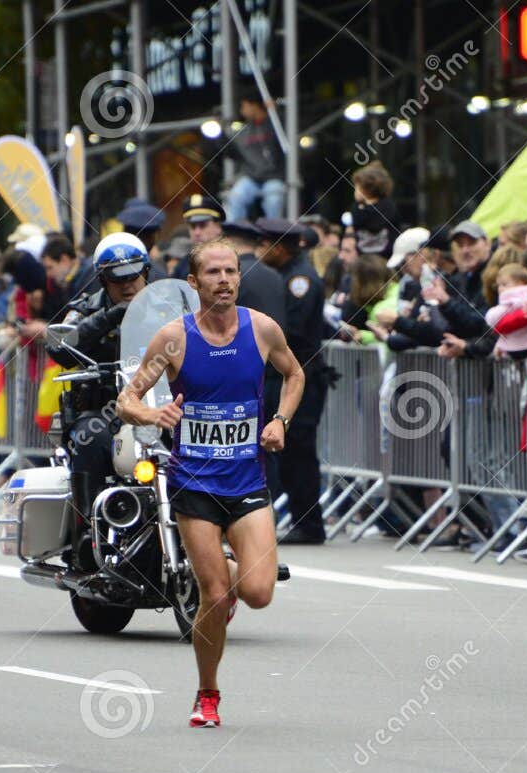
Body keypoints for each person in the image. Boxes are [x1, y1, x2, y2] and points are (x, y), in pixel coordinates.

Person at [115, 239, 304, 728]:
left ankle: (223, 559)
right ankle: (207, 694)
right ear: (194, 283)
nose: (224, 280)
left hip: (246, 477)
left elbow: (295, 375)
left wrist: (280, 420)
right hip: (194, 482)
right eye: (214, 273)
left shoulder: (261, 329)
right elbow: (127, 400)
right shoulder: (173, 339)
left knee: (259, 592)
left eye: (231, 271)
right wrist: (155, 412)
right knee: (215, 597)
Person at [59, 233, 153, 537]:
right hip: (106, 410)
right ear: (102, 279)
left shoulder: (166, 306)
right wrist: (110, 316)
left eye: (134, 276)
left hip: (161, 405)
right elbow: (60, 348)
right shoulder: (86, 308)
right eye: (117, 279)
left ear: (146, 273)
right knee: (88, 437)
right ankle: (88, 529)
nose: (127, 285)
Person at [256, 216, 328, 544]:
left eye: (264, 244)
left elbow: (292, 331)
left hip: (304, 376)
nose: (259, 250)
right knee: (285, 451)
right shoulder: (281, 275)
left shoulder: (300, 280)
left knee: (300, 450)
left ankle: (309, 524)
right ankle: (299, 518)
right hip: (286, 374)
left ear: (281, 247)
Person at [224, 97, 286, 222]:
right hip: (251, 177)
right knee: (235, 196)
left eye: (244, 106)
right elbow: (232, 152)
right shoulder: (244, 130)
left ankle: (273, 235)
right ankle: (234, 233)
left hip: (274, 176)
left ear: (254, 105)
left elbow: (286, 133)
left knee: (274, 198)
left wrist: (275, 112)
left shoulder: (275, 123)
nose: (242, 111)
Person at [171, 192, 226, 280]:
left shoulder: (231, 259)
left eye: (203, 225)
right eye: (193, 226)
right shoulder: (183, 265)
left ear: (218, 227)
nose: (197, 232)